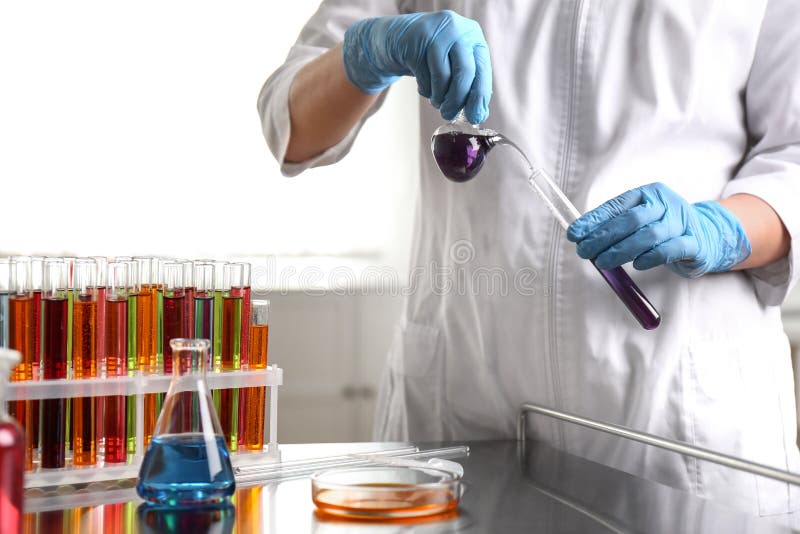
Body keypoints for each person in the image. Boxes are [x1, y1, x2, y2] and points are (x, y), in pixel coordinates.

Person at [258, 1, 800, 516]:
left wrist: (722, 230)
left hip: (677, 415)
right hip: (464, 398)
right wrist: (369, 53)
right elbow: (291, 123)